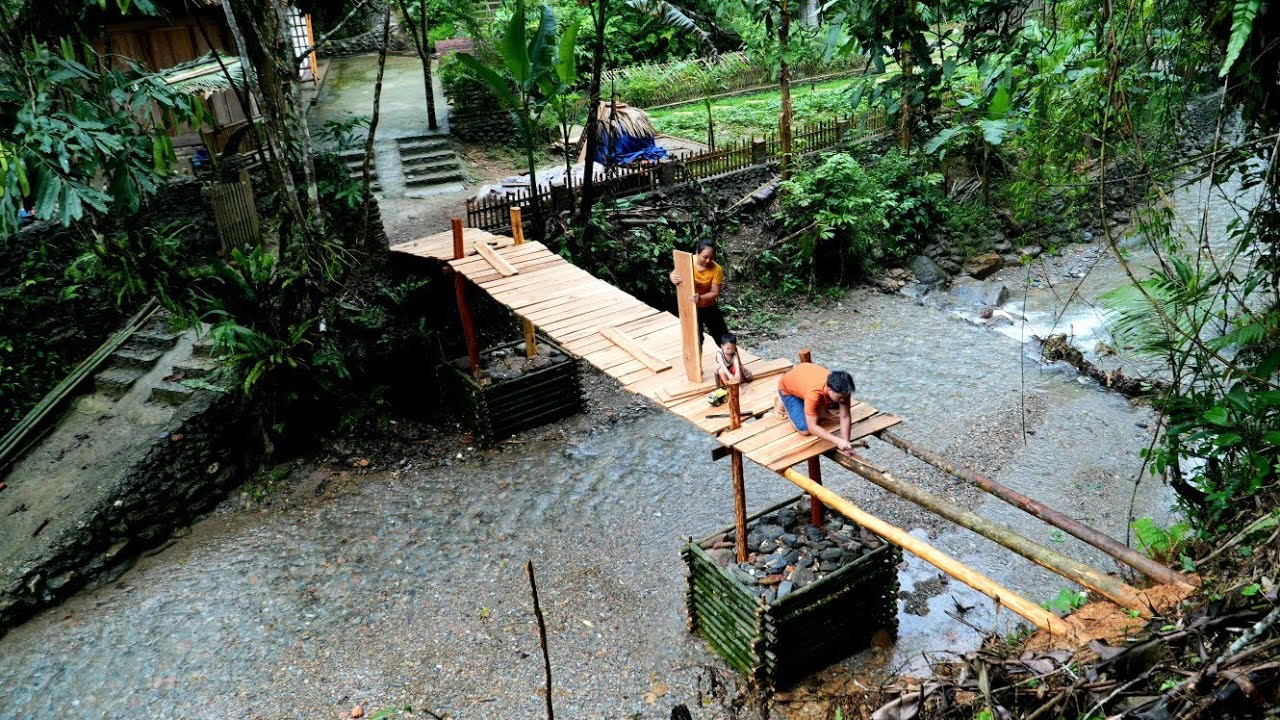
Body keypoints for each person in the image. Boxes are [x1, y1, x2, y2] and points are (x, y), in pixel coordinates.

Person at [774, 362, 857, 454]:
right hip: (787, 388)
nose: (843, 399)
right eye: (840, 397)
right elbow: (812, 427)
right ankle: (783, 402)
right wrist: (837, 441)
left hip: (805, 378)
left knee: (837, 404)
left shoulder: (843, 391)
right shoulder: (814, 394)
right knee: (805, 430)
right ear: (829, 389)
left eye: (845, 396)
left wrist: (846, 443)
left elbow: (845, 416)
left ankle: (818, 410)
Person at [669, 238, 728, 350]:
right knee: (695, 339)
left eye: (711, 258)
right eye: (705, 257)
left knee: (723, 336)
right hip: (691, 307)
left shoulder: (717, 269)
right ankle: (695, 367)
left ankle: (735, 364)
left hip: (709, 306)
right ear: (697, 253)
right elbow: (675, 272)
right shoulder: (687, 261)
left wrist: (700, 298)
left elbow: (715, 292)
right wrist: (672, 277)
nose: (708, 260)